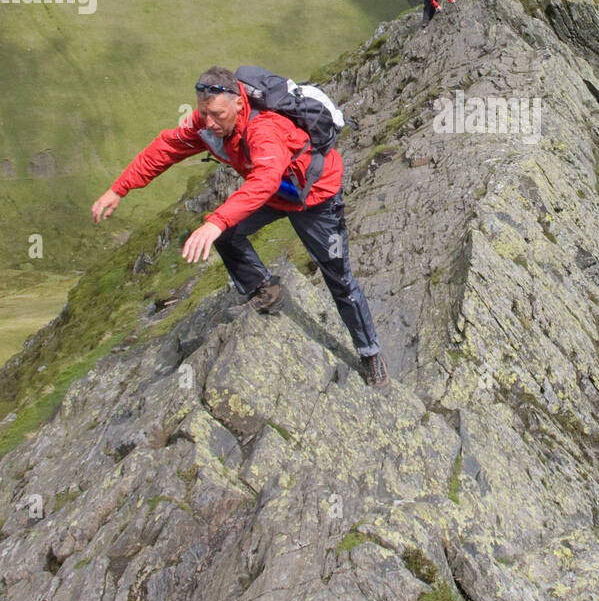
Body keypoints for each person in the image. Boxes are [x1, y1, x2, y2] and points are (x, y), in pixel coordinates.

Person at [91, 66, 390, 388]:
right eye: (203, 113)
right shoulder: (207, 122)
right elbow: (166, 148)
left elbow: (265, 179)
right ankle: (265, 289)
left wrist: (215, 222)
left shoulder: (265, 128)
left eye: (217, 114)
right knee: (229, 235)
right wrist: (119, 189)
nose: (209, 123)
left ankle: (370, 353)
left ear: (238, 103)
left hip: (315, 198)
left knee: (339, 278)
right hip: (275, 194)